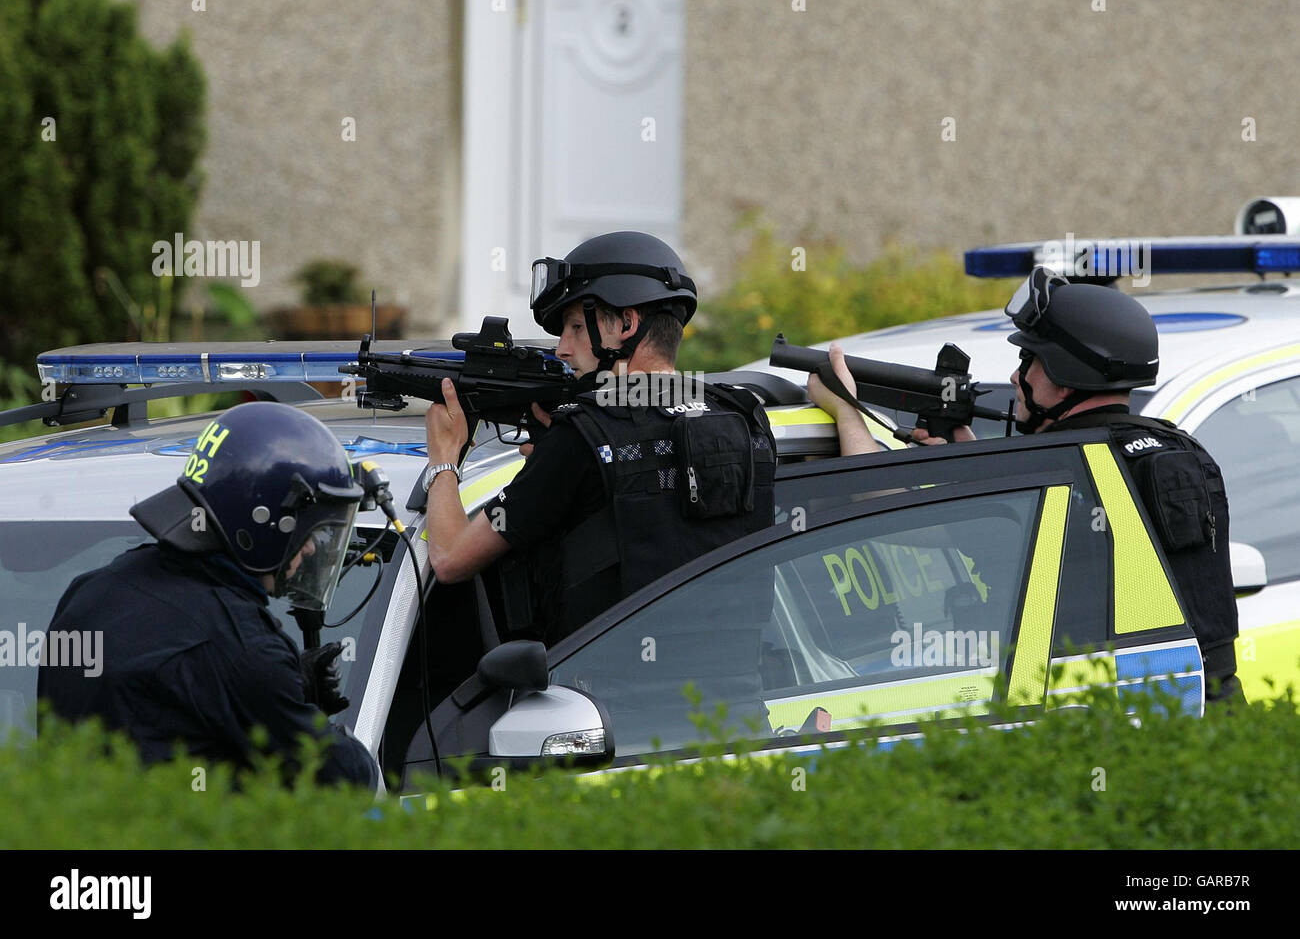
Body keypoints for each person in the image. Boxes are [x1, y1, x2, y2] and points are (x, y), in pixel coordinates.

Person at [810, 266, 1240, 702]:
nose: (1018, 377)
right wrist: (972, 459)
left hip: (1113, 721)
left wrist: (846, 411)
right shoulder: (1176, 449)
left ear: (1064, 373)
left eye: (1028, 361)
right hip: (1211, 711)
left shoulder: (1056, 471)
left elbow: (890, 511)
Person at [424, 230, 778, 645]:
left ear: (627, 324)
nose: (561, 349)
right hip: (729, 706)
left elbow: (448, 559)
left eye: (575, 326)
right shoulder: (745, 417)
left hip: (607, 705)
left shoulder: (582, 438)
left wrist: (444, 459)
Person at [37, 402, 380, 787]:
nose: (314, 549)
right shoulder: (241, 645)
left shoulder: (92, 591)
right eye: (310, 530)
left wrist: (281, 688)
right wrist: (295, 704)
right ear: (264, 522)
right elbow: (347, 780)